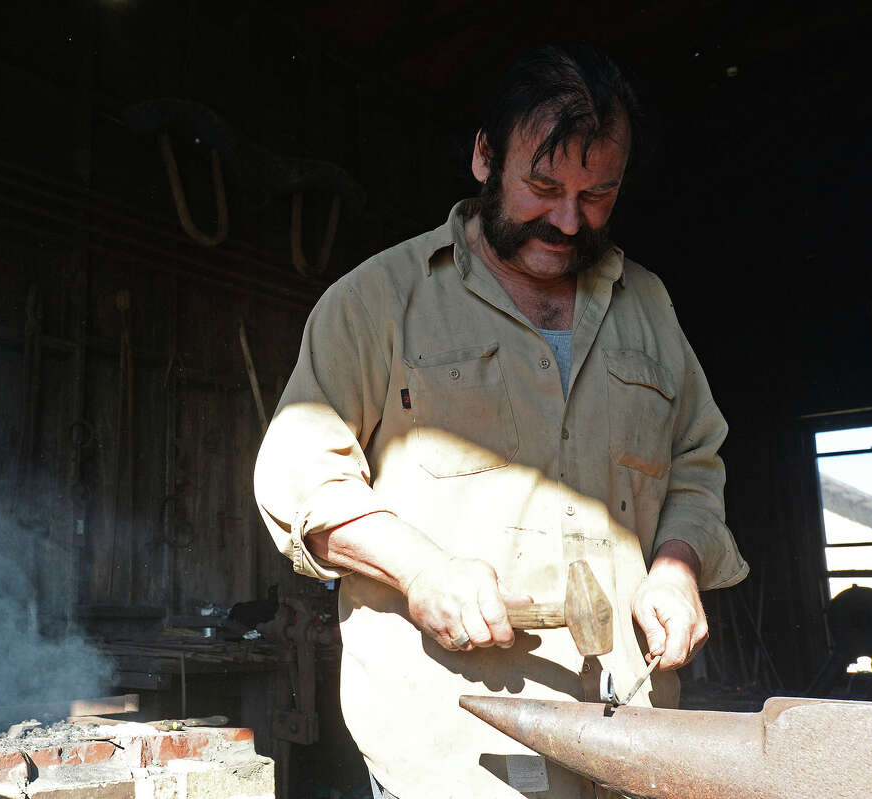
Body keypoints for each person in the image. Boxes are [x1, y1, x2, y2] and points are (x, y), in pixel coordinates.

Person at [254, 43, 748, 799]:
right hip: (454, 751)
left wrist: (678, 565)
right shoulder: (377, 302)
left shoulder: (647, 306)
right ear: (485, 157)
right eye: (543, 186)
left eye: (597, 195)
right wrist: (420, 571)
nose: (566, 219)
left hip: (634, 739)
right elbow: (300, 477)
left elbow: (695, 459)